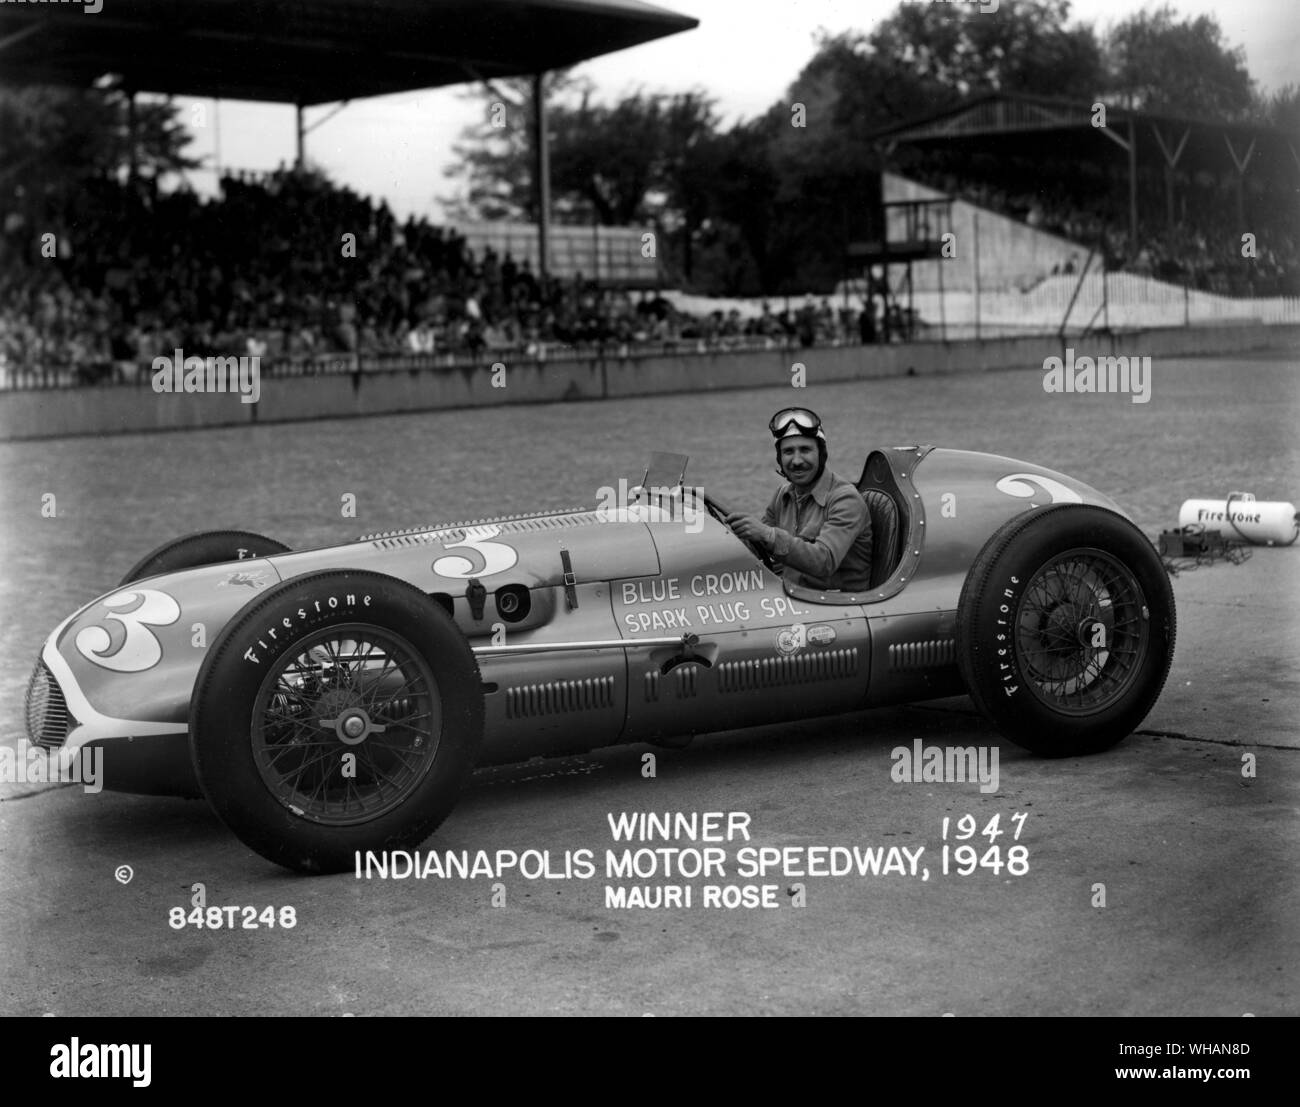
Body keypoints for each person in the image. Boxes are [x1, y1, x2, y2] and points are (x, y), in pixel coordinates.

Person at [727, 407, 873, 591]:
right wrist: (728, 536)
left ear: (821, 454)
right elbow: (758, 546)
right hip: (794, 597)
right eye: (788, 452)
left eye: (805, 450)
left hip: (835, 603)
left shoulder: (845, 499)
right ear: (780, 458)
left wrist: (768, 535)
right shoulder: (782, 496)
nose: (796, 461)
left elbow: (824, 560)